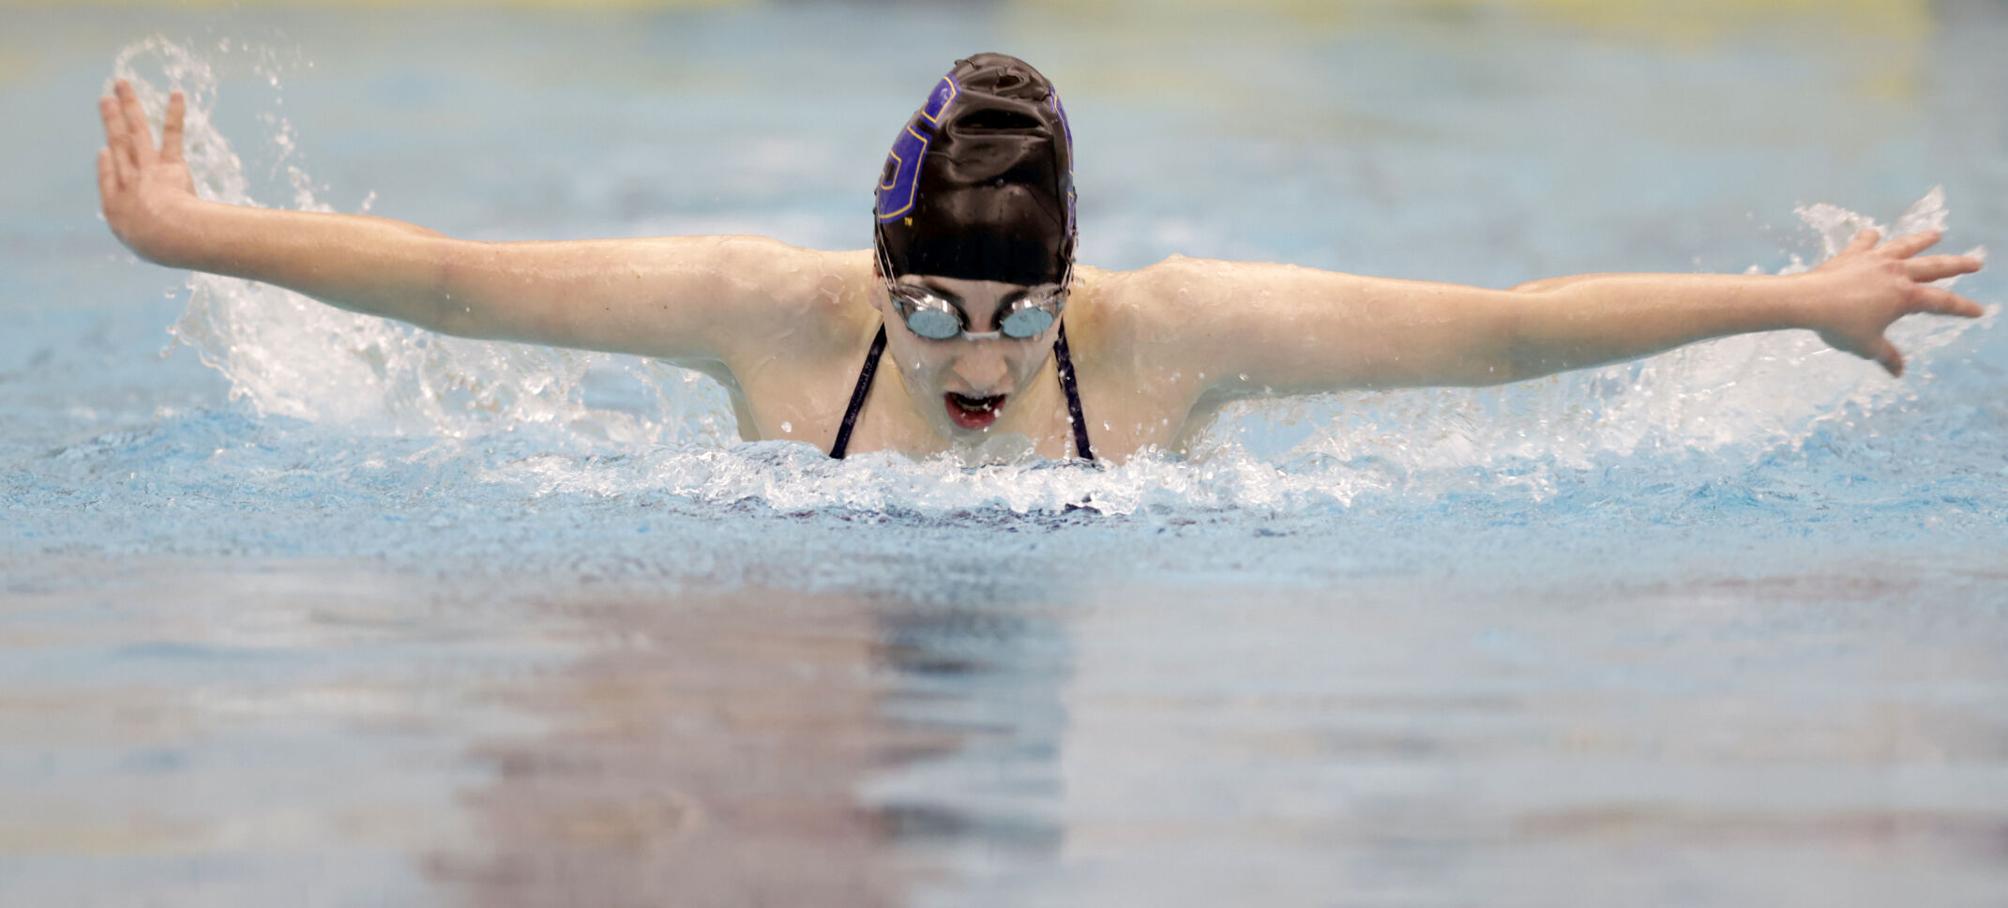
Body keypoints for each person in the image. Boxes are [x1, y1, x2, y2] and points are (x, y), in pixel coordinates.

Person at [95, 54, 1986, 463]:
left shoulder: (1177, 343)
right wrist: (192, 238)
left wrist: (1801, 299)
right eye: (929, 310)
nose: (975, 352)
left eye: (1018, 312)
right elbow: (447, 277)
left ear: (1083, 285)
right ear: (873, 275)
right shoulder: (769, 321)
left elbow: (1496, 337)